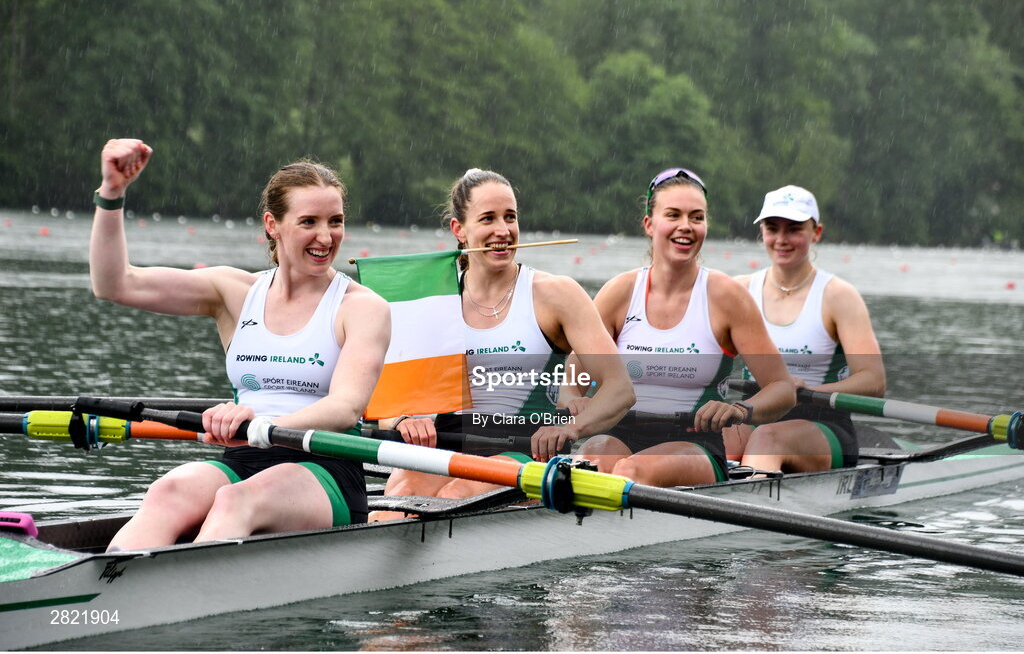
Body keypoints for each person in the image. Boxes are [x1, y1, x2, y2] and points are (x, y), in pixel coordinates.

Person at [91, 138, 390, 550]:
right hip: (244, 456)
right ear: (273, 225)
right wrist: (112, 193)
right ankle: (109, 595)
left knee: (235, 501)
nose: (326, 236)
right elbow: (115, 284)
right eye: (309, 222)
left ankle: (181, 593)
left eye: (335, 221)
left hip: (325, 469)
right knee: (168, 491)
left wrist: (262, 428)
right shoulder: (234, 292)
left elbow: (346, 408)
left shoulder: (361, 307)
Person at [369, 169, 635, 522]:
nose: (503, 230)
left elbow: (620, 389)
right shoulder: (434, 298)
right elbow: (381, 395)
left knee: (455, 495)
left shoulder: (555, 294)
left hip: (523, 452)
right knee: (401, 496)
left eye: (510, 217)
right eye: (488, 219)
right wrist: (402, 417)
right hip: (447, 448)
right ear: (459, 230)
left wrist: (570, 429)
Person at [565, 167, 795, 486]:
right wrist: (573, 399)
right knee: (586, 465)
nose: (685, 227)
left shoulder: (727, 297)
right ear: (650, 224)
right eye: (673, 215)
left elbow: (782, 389)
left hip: (695, 443)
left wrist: (742, 410)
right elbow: (574, 374)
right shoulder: (619, 293)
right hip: (619, 433)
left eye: (696, 217)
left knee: (629, 472)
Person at [733, 185, 885, 472]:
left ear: (816, 233)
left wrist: (810, 388)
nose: (781, 239)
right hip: (755, 413)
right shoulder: (738, 291)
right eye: (772, 228)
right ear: (761, 232)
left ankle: (742, 504)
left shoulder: (838, 296)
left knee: (767, 439)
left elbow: (873, 382)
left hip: (822, 423)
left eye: (794, 229)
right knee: (710, 437)